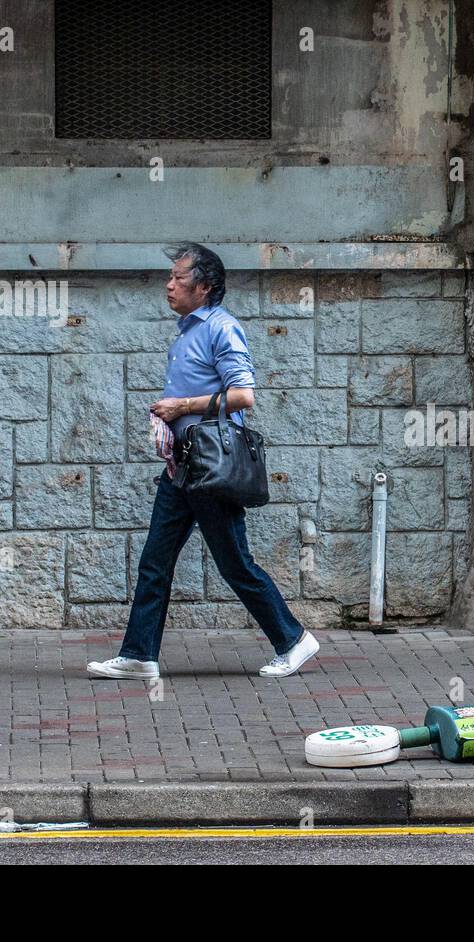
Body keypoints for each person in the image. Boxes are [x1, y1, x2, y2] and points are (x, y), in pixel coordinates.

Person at [87, 242, 319, 680]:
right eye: (171, 277)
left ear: (205, 286)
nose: (169, 284)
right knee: (155, 561)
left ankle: (293, 640)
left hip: (211, 469)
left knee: (235, 564)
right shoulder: (188, 330)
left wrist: (180, 407)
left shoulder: (221, 328)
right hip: (181, 468)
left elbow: (243, 396)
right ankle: (139, 654)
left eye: (178, 278)